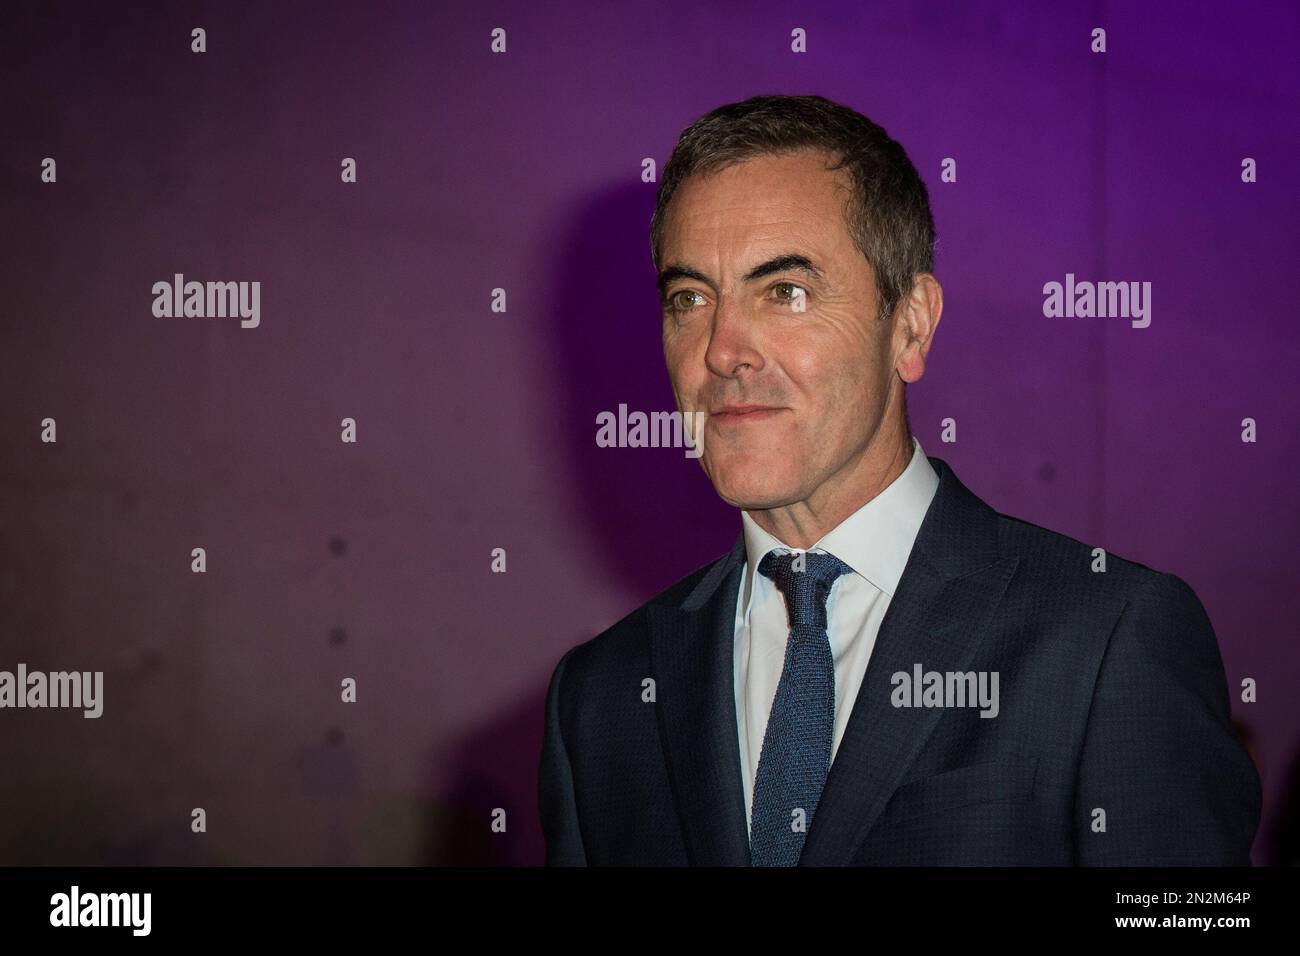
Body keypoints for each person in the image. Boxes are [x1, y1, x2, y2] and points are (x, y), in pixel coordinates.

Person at [538, 94, 1261, 865]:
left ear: (911, 325)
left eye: (784, 291)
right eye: (690, 298)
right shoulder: (602, 697)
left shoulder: (1105, 641)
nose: (721, 350)